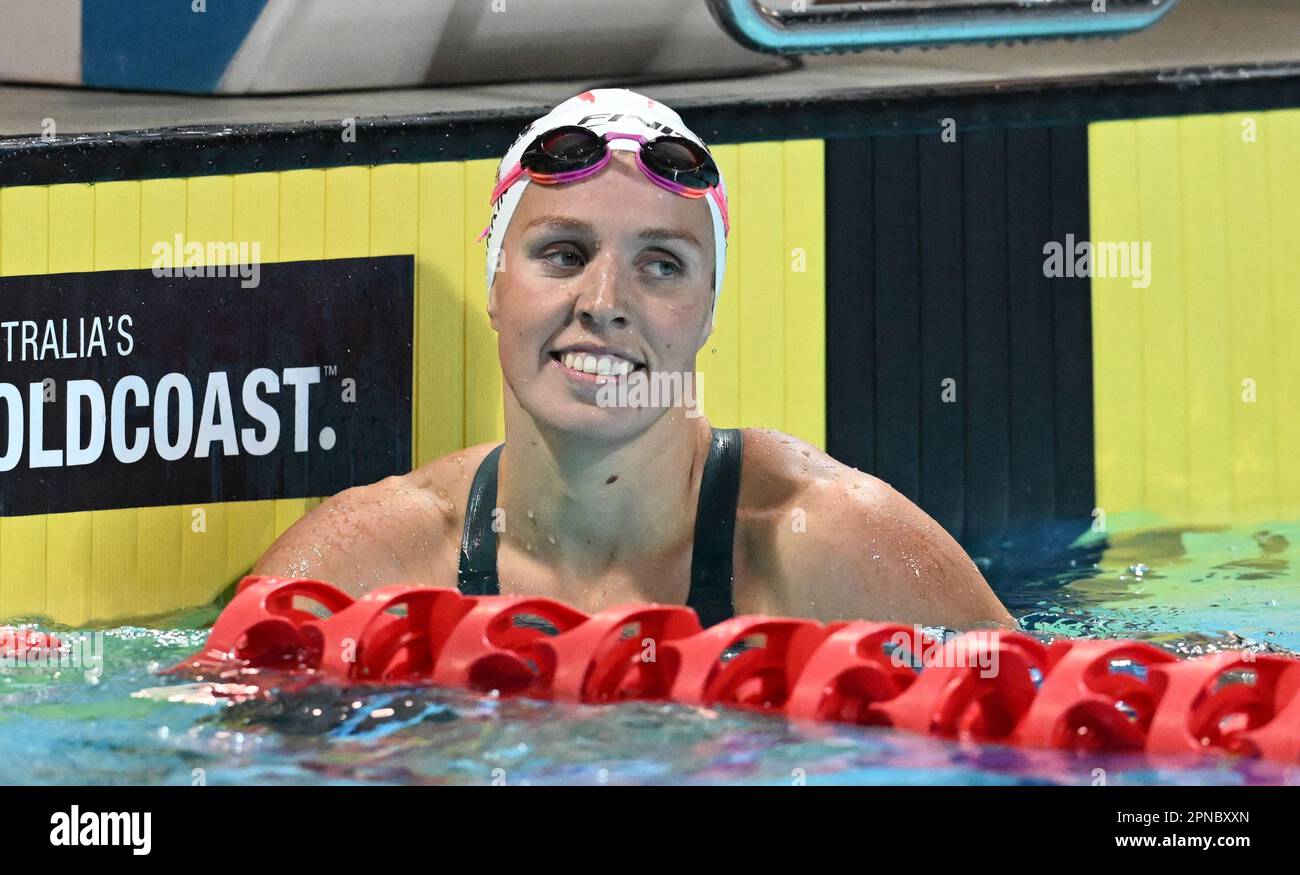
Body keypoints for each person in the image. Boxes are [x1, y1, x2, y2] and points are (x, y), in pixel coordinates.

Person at [253, 88, 1014, 630]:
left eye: (661, 265)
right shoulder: (366, 565)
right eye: (563, 253)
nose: (604, 300)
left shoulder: (831, 544)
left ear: (708, 311)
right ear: (496, 287)